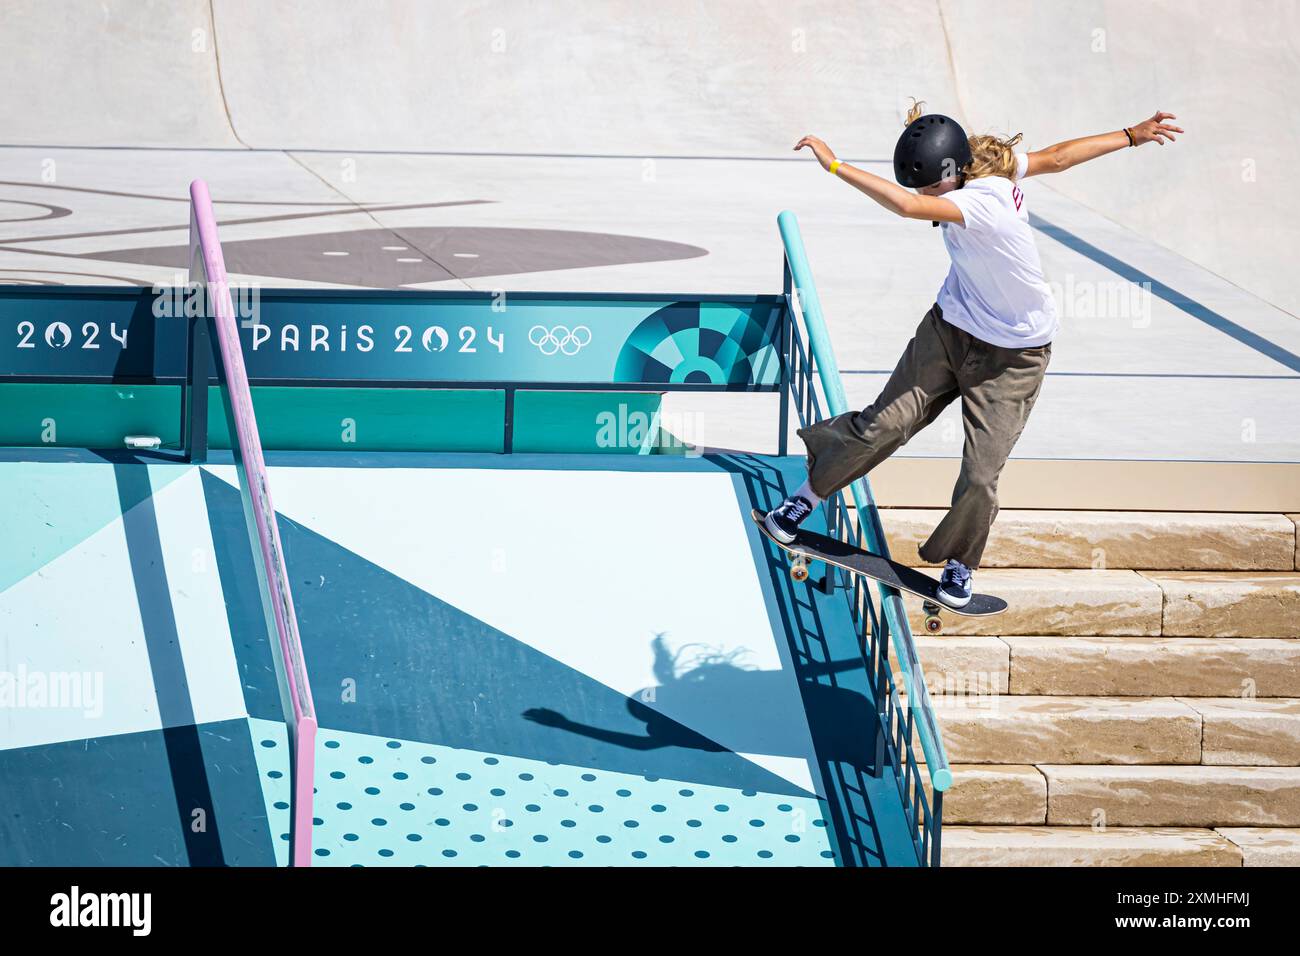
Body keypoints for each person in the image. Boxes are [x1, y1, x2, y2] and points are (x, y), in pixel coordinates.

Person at [765, 103, 1182, 608]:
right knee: (883, 426)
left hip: (1014, 357)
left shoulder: (985, 202)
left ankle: (960, 563)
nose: (927, 198)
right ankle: (804, 500)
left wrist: (834, 165)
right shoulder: (981, 168)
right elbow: (1058, 157)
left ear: (952, 174)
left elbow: (907, 208)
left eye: (930, 187)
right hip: (950, 329)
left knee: (982, 472)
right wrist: (1130, 134)